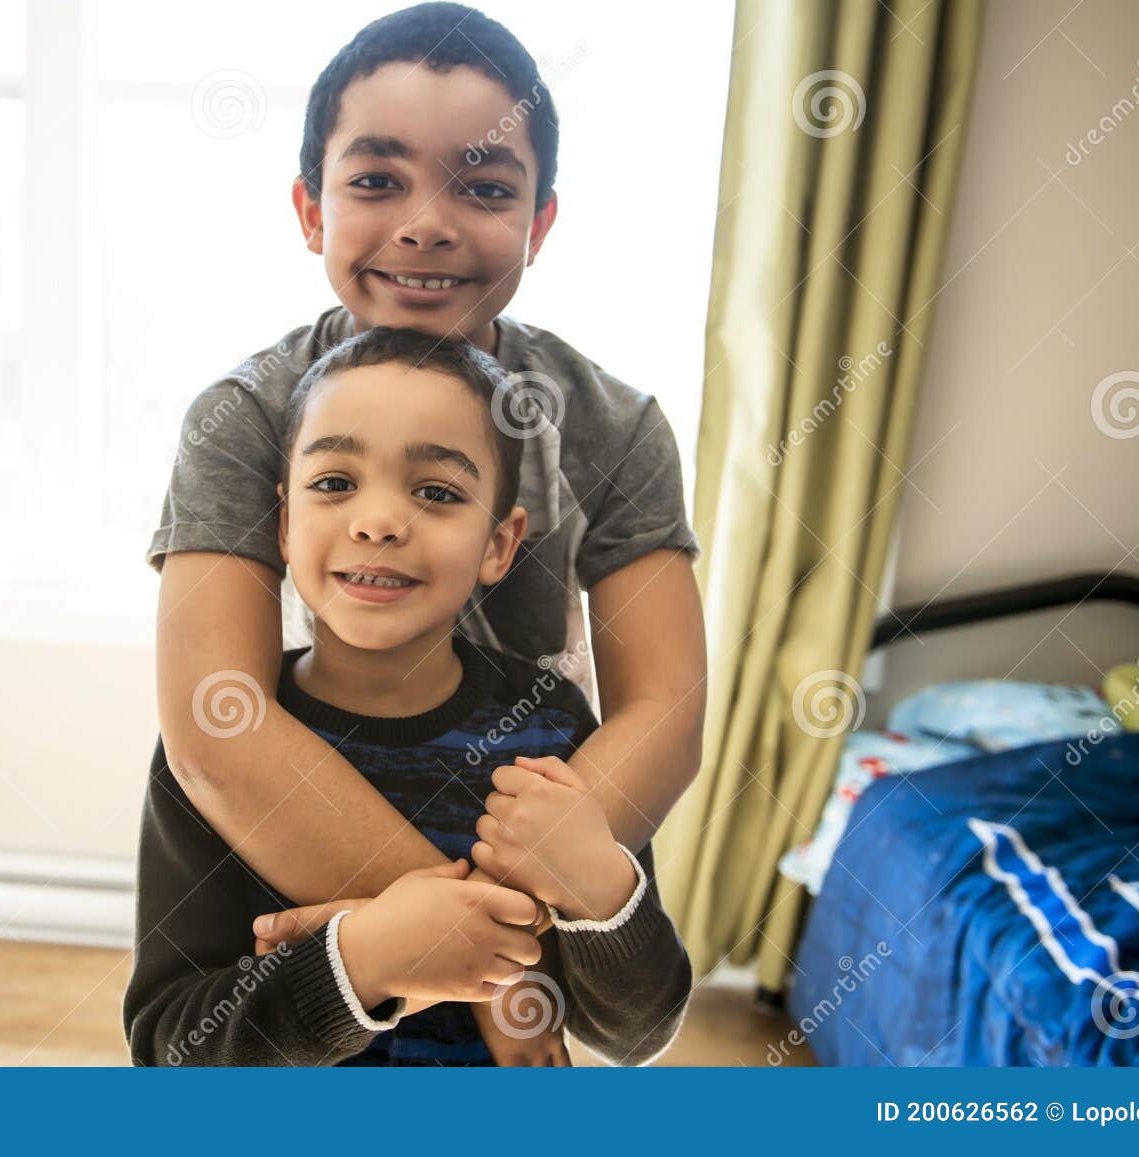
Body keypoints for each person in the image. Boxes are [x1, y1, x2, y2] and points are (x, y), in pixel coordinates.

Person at [147, 3, 707, 1064]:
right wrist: (491, 960)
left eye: (485, 188)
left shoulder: (611, 423)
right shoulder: (244, 412)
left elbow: (664, 708)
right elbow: (218, 724)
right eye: (376, 180)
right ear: (311, 208)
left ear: (539, 225)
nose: (426, 222)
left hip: (533, 814)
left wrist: (485, 932)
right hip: (316, 824)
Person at [125, 329, 692, 1065]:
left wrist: (604, 889)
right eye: (334, 483)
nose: (379, 521)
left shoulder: (553, 730)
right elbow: (171, 1050)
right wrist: (361, 958)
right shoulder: (213, 760)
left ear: (499, 543)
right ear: (284, 528)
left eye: (436, 492)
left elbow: (637, 1032)